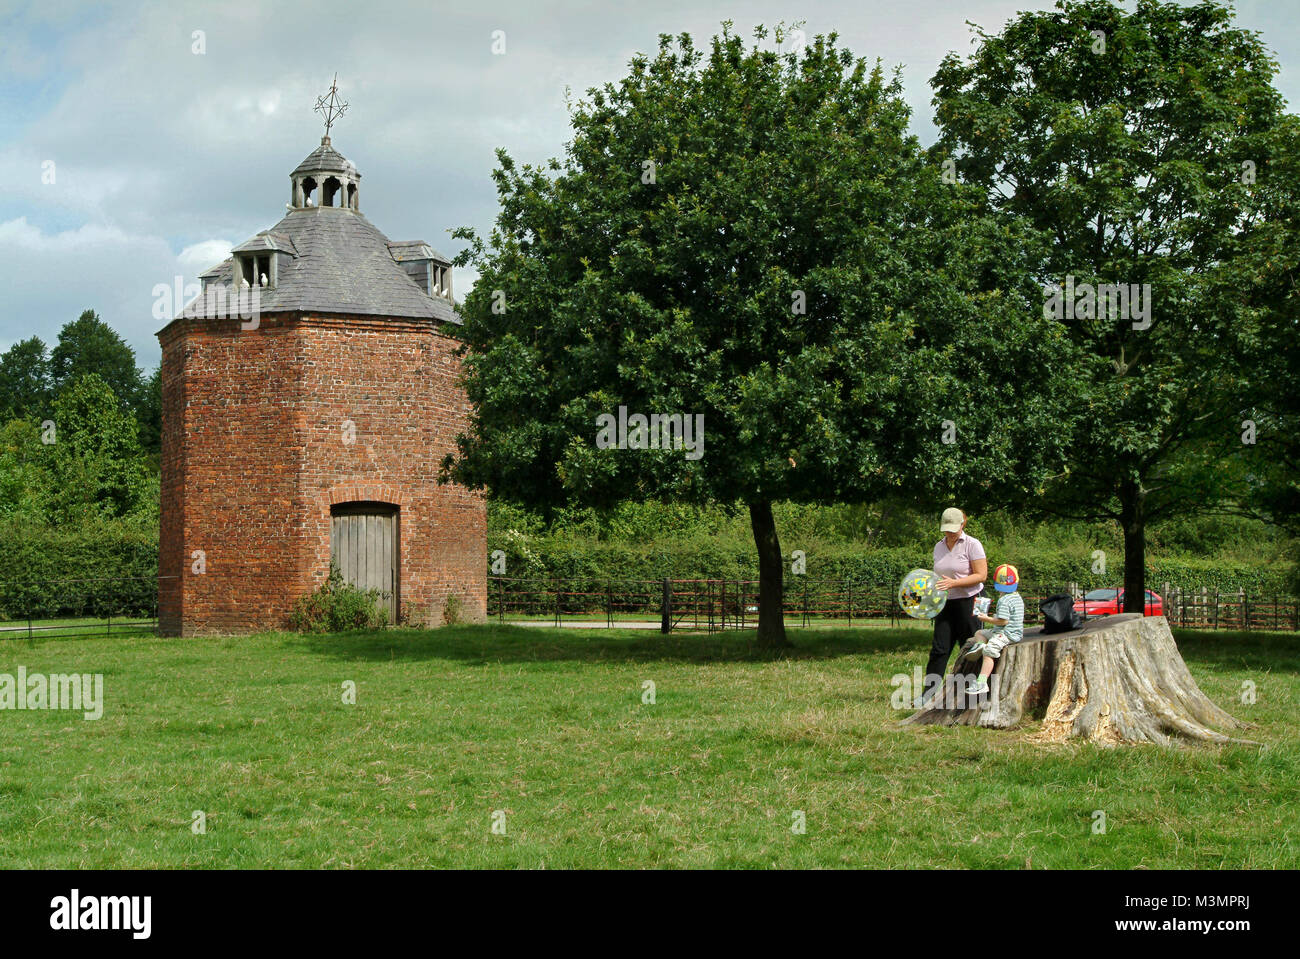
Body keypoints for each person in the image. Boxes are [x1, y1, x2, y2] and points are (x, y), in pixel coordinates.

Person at [923, 507, 987, 701]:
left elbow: (981, 575)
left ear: (963, 524)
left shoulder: (972, 544)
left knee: (970, 649)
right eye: (946, 528)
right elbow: (939, 575)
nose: (949, 532)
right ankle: (928, 695)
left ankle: (970, 694)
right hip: (945, 603)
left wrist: (954, 583)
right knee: (939, 649)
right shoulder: (938, 547)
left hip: (970, 601)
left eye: (953, 528)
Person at [963, 564, 1025, 695]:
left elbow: (1003, 621)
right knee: (979, 633)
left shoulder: (1004, 600)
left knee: (989, 651)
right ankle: (979, 646)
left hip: (1007, 634)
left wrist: (987, 619)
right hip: (1009, 631)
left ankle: (981, 682)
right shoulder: (1017, 597)